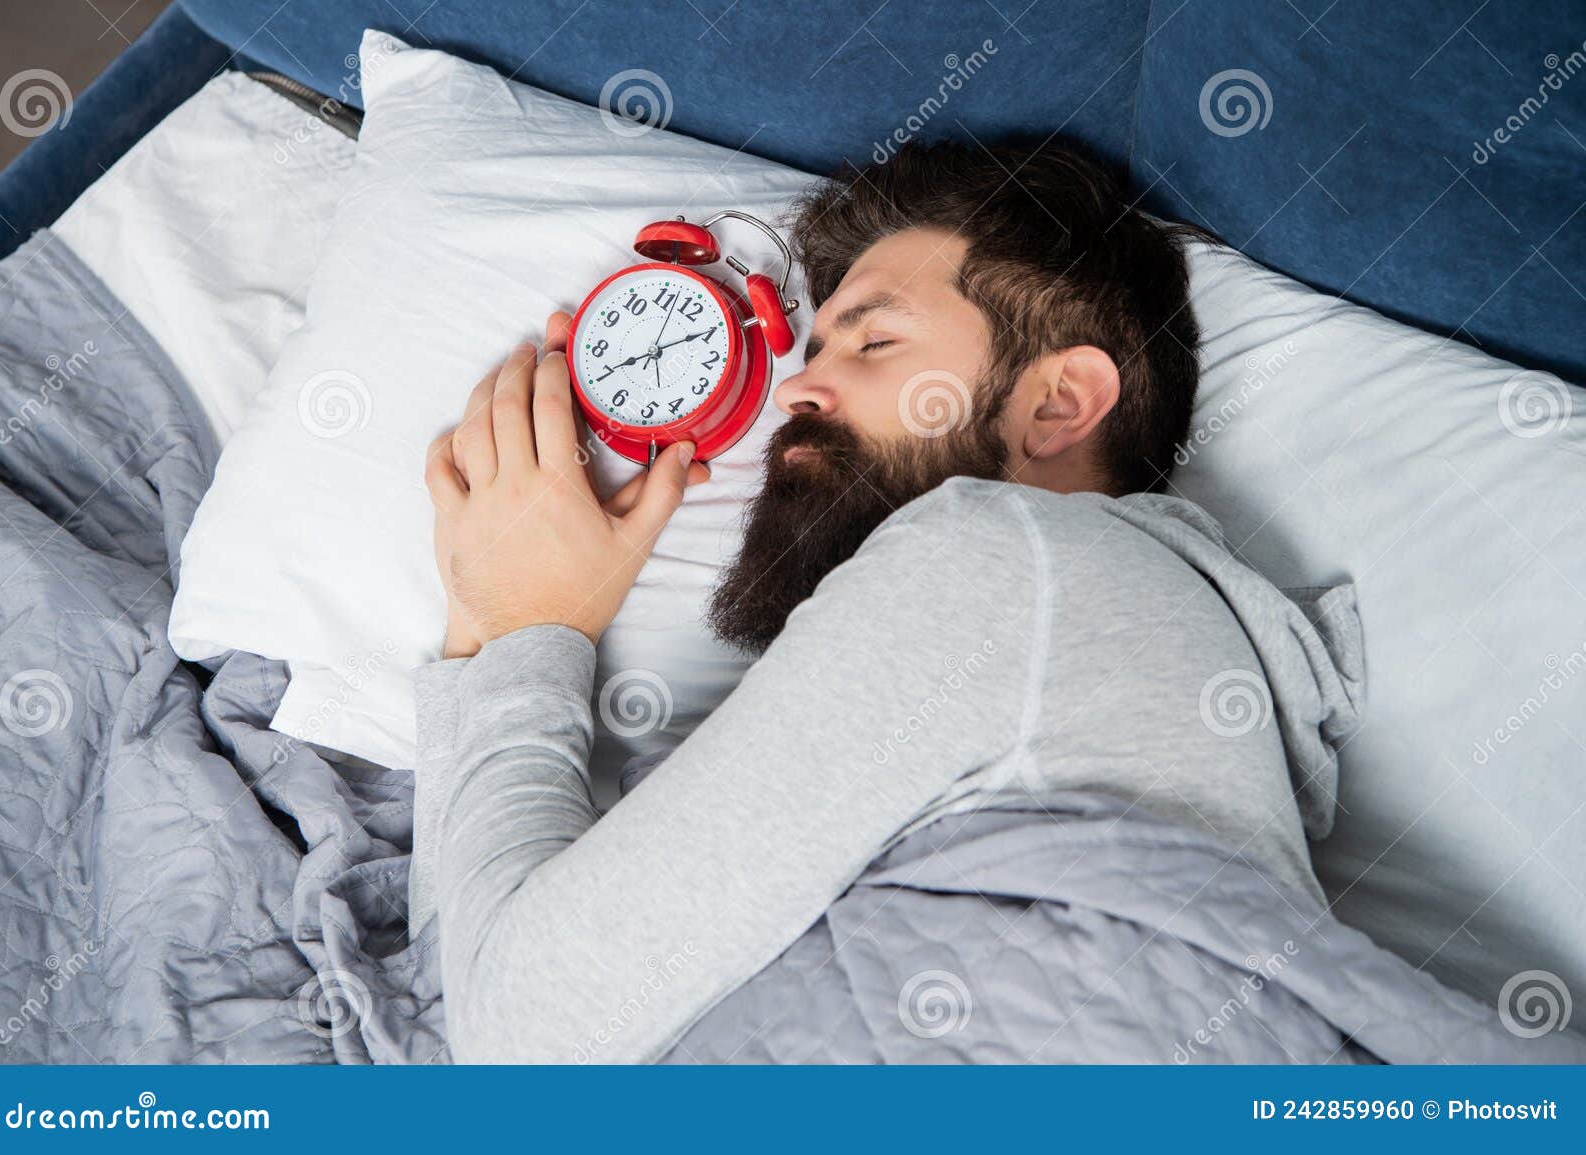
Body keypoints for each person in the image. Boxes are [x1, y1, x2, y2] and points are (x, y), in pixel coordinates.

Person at [412, 141, 1358, 1062]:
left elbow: (511, 1045)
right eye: (816, 348)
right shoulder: (1093, 635)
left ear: (1060, 404)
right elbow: (471, 980)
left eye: (875, 338)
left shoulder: (1002, 557)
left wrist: (524, 629)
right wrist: (486, 622)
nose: (798, 390)